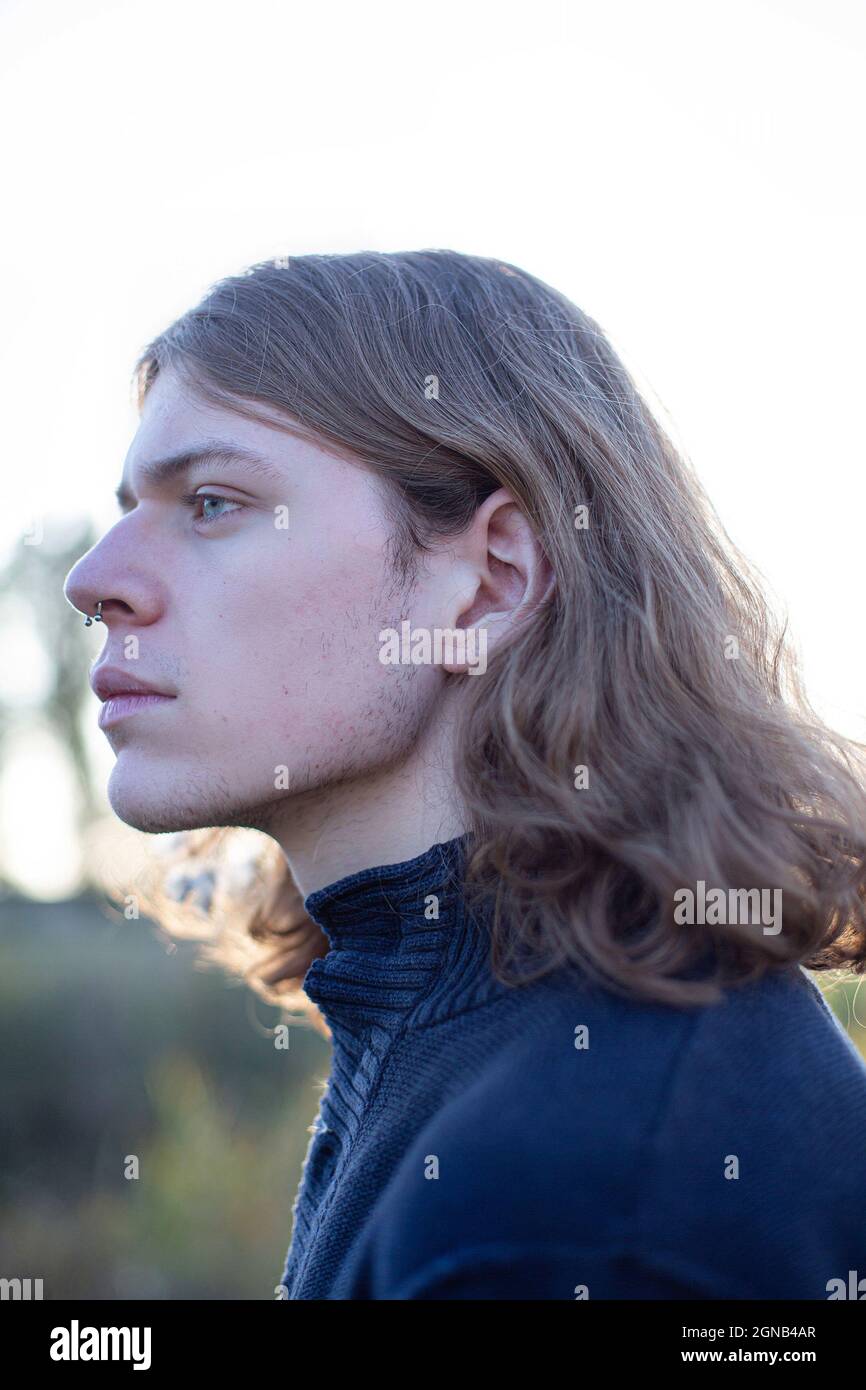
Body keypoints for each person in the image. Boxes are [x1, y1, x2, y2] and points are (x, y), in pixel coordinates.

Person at [64, 250, 866, 1300]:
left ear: (489, 580)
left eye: (211, 502)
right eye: (130, 506)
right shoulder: (482, 1043)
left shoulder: (568, 1212)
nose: (94, 581)